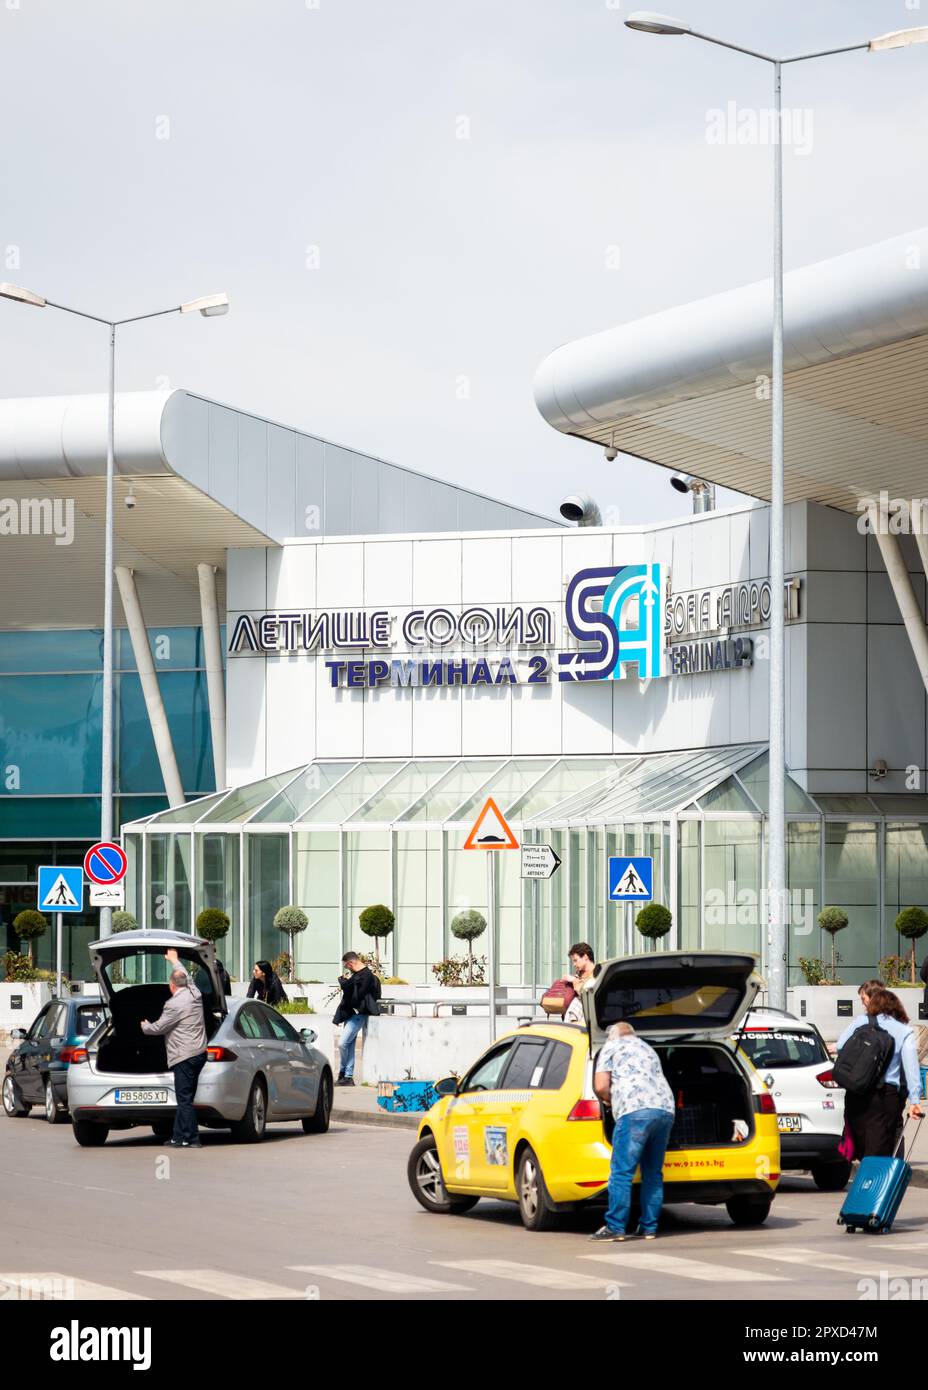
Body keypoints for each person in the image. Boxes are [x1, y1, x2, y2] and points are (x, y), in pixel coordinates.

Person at [590, 1020, 675, 1242]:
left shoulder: (610, 1046)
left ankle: (615, 1227)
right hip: (665, 1109)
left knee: (621, 1172)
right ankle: (649, 1227)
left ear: (612, 1035)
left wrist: (609, 1100)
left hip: (635, 1111)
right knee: (653, 1173)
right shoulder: (648, 1048)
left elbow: (600, 1086)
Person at [835, 984, 923, 1159]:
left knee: (861, 1144)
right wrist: (914, 1100)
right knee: (881, 1146)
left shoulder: (861, 1022)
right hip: (885, 1096)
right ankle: (876, 1183)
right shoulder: (904, 1031)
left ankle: (864, 1180)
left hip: (857, 1091)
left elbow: (840, 1046)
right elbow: (911, 1066)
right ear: (896, 1007)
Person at [141, 955, 208, 1149]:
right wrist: (174, 960)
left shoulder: (173, 1004)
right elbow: (187, 976)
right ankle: (178, 1137)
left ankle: (192, 1138)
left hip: (184, 1056)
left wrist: (145, 1026)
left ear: (171, 985)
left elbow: (159, 1028)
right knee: (186, 1097)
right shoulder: (195, 994)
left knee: (184, 1099)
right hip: (199, 1053)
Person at [333, 951, 381, 1086]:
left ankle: (345, 1073)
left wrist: (345, 984)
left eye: (347, 966)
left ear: (351, 963)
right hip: (351, 1014)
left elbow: (359, 995)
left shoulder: (366, 976)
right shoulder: (358, 975)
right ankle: (346, 1076)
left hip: (358, 1015)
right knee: (348, 1045)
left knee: (343, 1043)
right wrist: (346, 983)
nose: (347, 969)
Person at [562, 943, 596, 1024]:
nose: (574, 964)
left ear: (585, 957)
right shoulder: (579, 974)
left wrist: (574, 980)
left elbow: (587, 994)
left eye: (575, 960)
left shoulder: (598, 973)